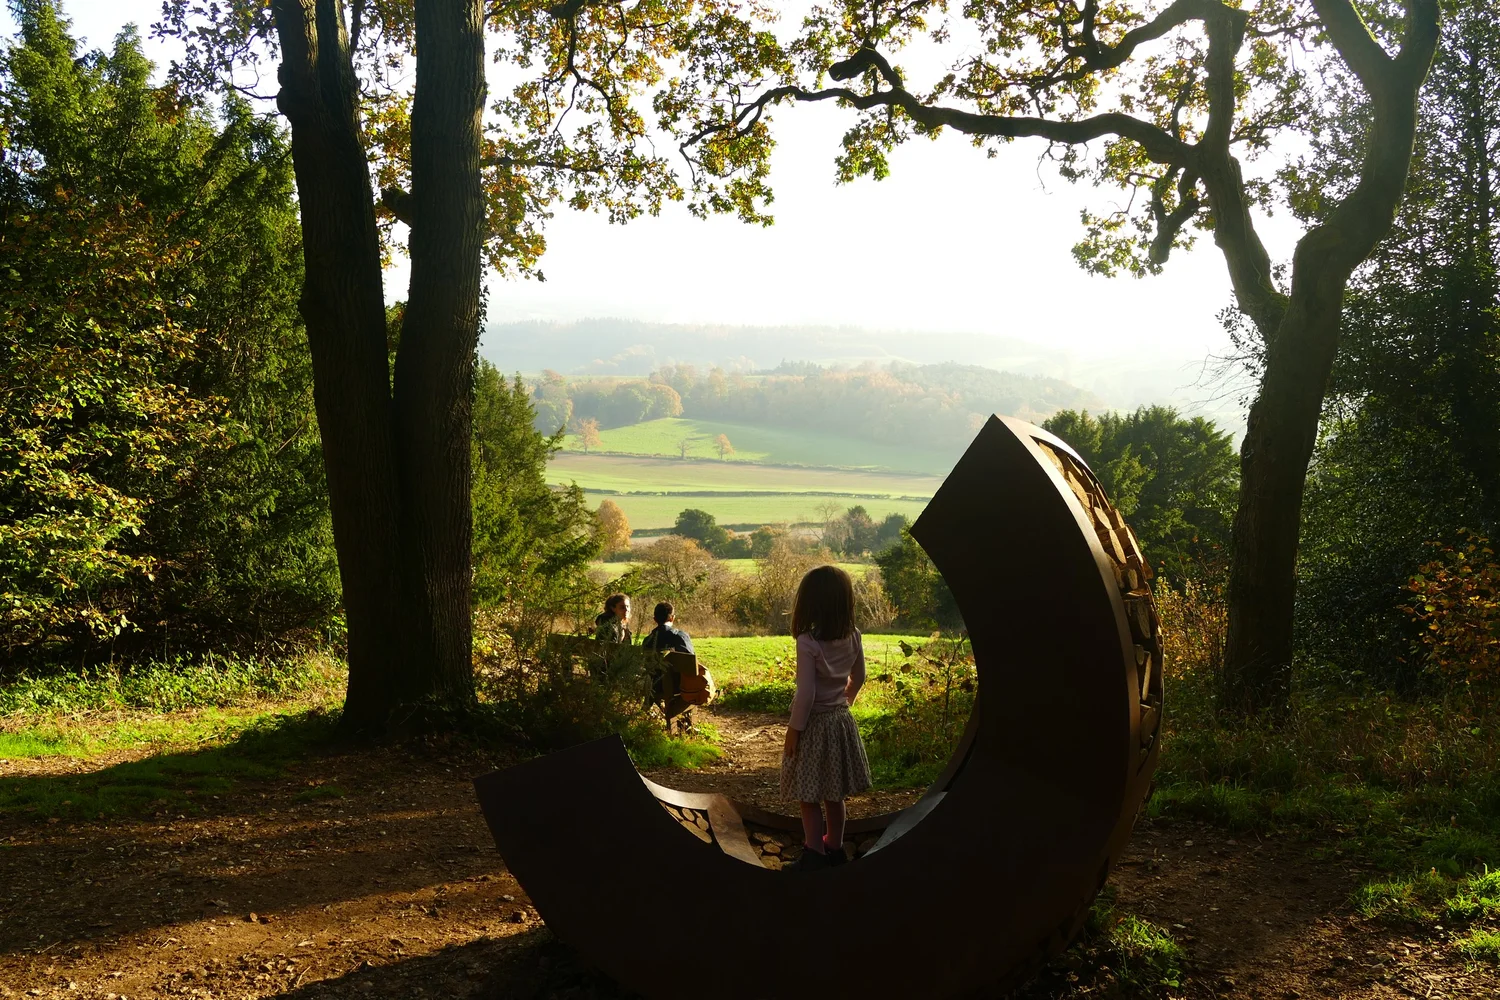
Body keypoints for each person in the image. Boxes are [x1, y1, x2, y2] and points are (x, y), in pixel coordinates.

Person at [780, 565, 871, 871]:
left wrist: (794, 730)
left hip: (815, 725)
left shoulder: (808, 642)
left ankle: (813, 853)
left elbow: (805, 694)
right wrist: (846, 701)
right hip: (840, 721)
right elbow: (859, 677)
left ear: (810, 603)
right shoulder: (853, 635)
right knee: (834, 794)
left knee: (809, 795)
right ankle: (835, 848)